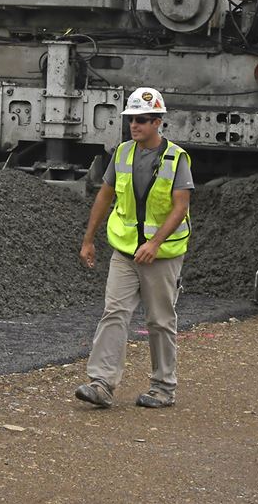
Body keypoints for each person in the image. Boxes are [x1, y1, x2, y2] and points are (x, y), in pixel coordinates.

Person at [76, 86, 193, 409]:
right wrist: (88, 239)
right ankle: (102, 383)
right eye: (131, 119)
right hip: (125, 251)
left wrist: (155, 243)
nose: (134, 125)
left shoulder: (176, 158)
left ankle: (163, 388)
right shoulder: (122, 154)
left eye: (141, 120)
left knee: (160, 321)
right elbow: (105, 196)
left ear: (157, 122)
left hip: (162, 255)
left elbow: (180, 207)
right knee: (114, 313)